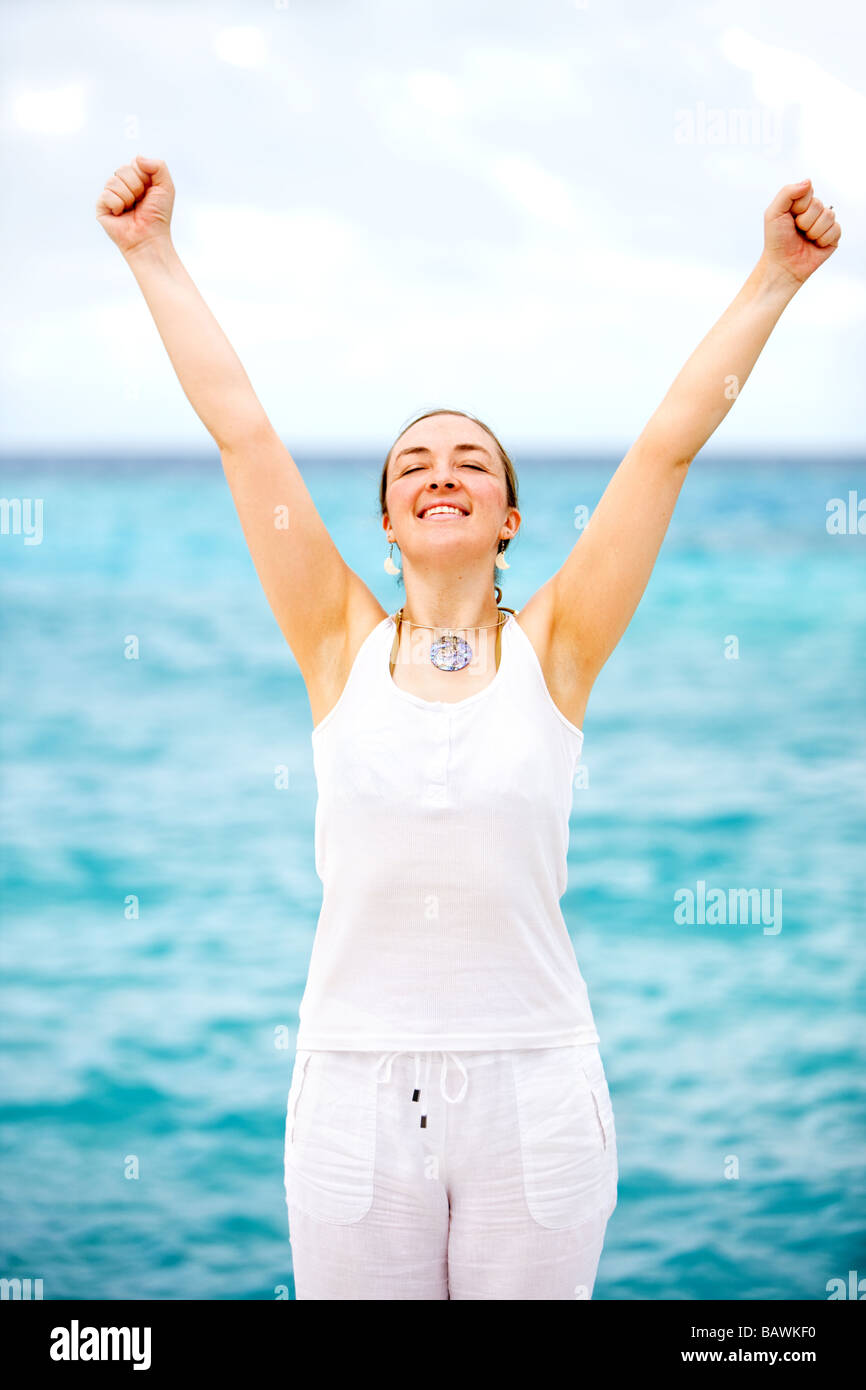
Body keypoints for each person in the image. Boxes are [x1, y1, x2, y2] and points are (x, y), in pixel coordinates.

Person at [96, 158, 841, 1300]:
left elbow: (661, 450)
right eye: (414, 467)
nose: (442, 474)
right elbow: (244, 434)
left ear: (507, 520)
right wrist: (151, 253)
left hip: (533, 1093)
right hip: (351, 1092)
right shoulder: (335, 643)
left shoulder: (559, 650)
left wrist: (773, 276)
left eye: (471, 464)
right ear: (387, 521)